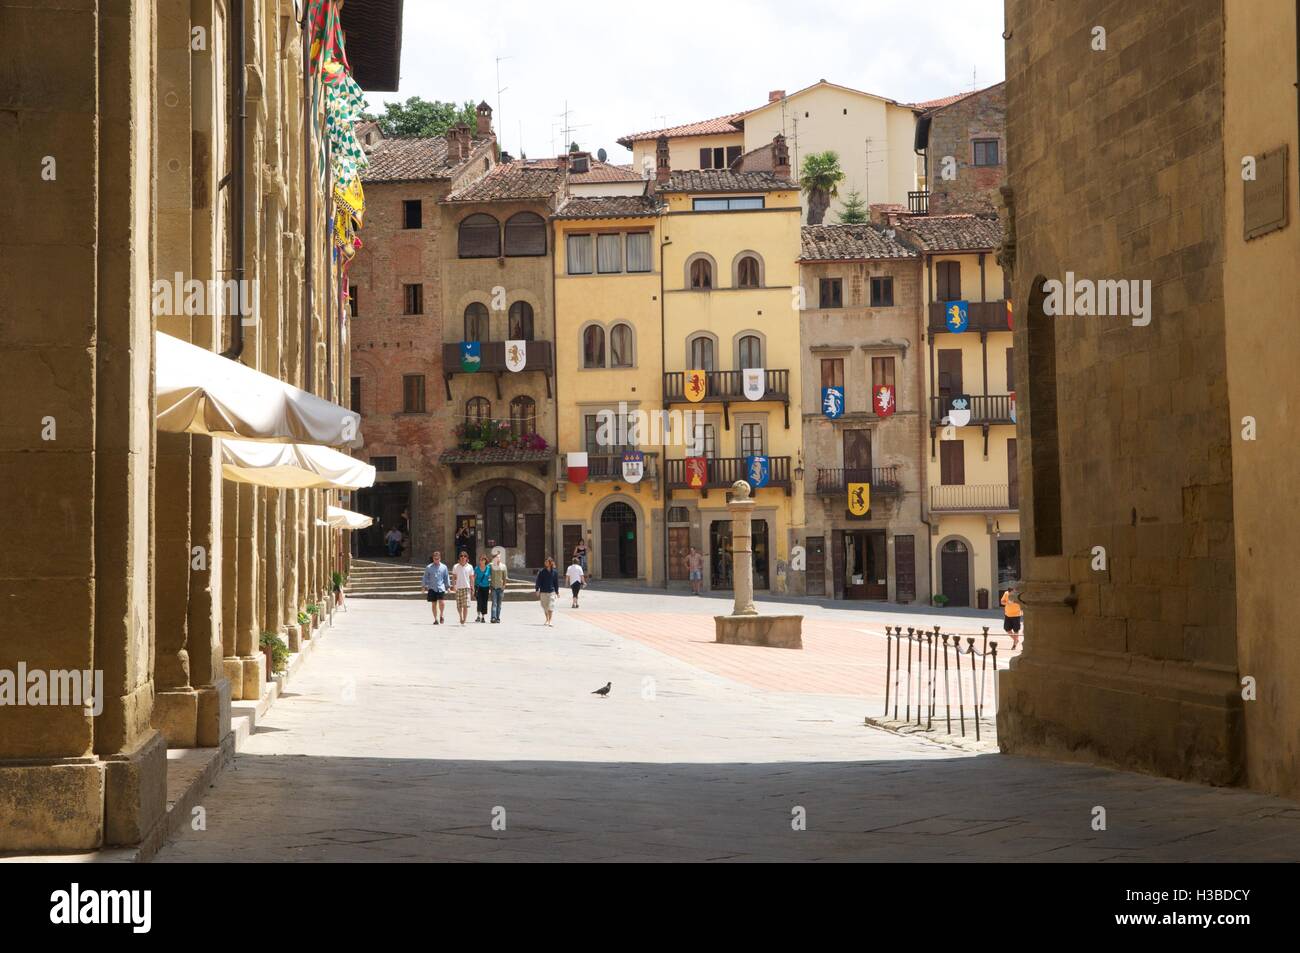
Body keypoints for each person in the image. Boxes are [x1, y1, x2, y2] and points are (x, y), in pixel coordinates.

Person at [422, 552, 450, 625]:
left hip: (441, 587)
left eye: (437, 559)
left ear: (440, 558)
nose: (436, 560)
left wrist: (448, 587)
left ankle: (441, 614)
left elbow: (446, 577)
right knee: (434, 604)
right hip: (432, 587)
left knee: (441, 602)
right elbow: (425, 577)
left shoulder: (444, 567)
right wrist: (423, 586)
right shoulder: (429, 567)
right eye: (435, 559)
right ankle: (436, 619)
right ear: (433, 559)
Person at [451, 551, 476, 626]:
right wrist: (454, 586)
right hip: (458, 588)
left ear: (467, 558)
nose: (463, 557)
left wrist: (473, 587)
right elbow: (453, 577)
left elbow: (472, 578)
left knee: (465, 605)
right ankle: (460, 617)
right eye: (461, 556)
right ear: (459, 558)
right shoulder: (456, 566)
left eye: (464, 556)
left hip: (466, 588)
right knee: (459, 605)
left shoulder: (470, 567)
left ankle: (464, 620)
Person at [535, 557, 561, 627]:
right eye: (545, 562)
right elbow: (538, 581)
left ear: (550, 563)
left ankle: (550, 620)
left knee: (551, 606)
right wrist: (537, 590)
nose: (545, 563)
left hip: (551, 592)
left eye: (547, 562)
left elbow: (556, 583)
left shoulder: (555, 572)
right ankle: (547, 619)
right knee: (545, 606)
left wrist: (557, 592)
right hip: (543, 591)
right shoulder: (541, 572)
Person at [489, 551, 509, 623]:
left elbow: (505, 577)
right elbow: (487, 574)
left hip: (501, 588)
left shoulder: (503, 566)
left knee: (499, 604)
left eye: (499, 557)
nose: (498, 558)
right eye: (496, 557)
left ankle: (498, 618)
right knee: (494, 603)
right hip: (493, 587)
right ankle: (493, 617)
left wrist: (504, 586)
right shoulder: (491, 565)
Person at [474, 554, 492, 623]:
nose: (482, 561)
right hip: (478, 587)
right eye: (481, 560)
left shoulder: (488, 568)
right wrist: (472, 587)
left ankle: (483, 617)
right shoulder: (477, 568)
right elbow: (474, 578)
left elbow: (489, 577)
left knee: (485, 602)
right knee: (479, 602)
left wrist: (490, 582)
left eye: (483, 560)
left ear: (485, 561)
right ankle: (478, 616)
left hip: (486, 587)